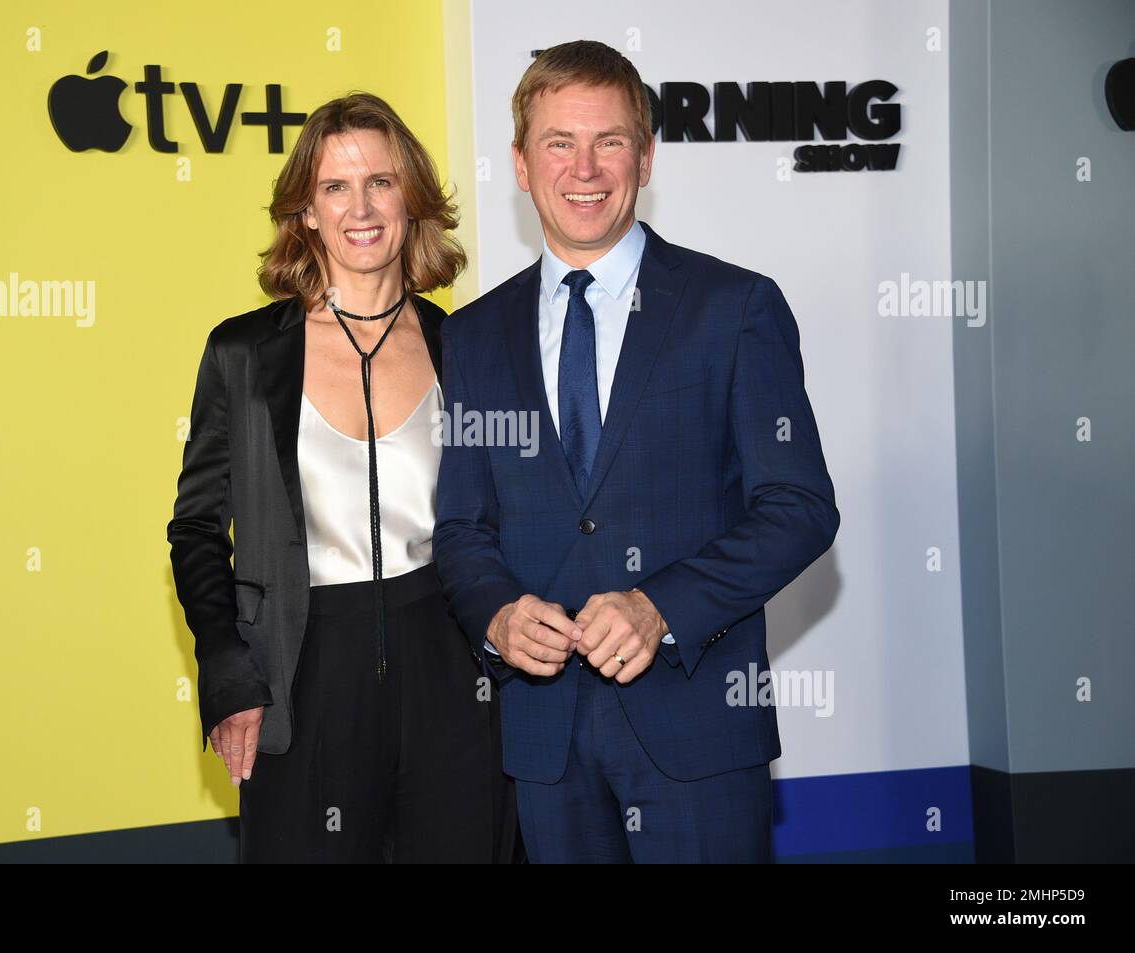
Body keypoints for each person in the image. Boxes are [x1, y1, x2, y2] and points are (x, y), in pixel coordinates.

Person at [433, 41, 840, 863]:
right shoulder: (474, 335)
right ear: (519, 163)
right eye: (558, 142)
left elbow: (799, 508)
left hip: (699, 732)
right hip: (544, 741)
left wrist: (660, 608)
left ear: (645, 157)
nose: (585, 168)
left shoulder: (734, 307)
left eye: (609, 141)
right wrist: (500, 615)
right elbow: (462, 528)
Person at [167, 92, 517, 863]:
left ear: (412, 200)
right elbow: (195, 528)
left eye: (381, 182)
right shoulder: (243, 354)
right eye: (335, 187)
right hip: (301, 672)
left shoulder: (465, 346)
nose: (360, 207)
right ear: (305, 211)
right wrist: (228, 670)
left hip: (452, 670)